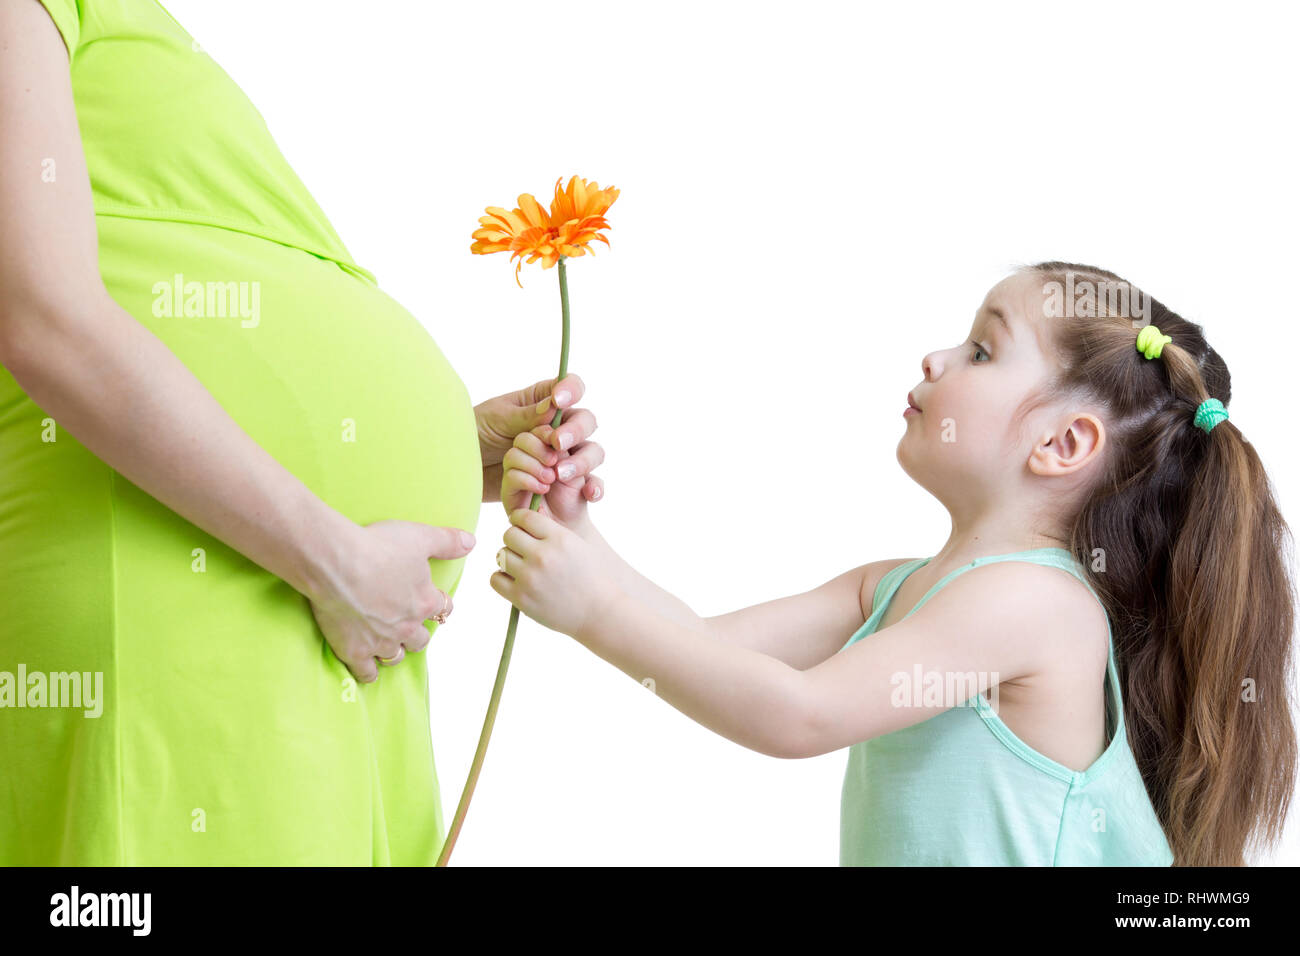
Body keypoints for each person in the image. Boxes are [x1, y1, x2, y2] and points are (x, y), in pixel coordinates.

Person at [0, 0, 604, 865]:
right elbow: (47, 321)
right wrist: (333, 559)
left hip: (320, 618)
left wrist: (449, 441)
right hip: (192, 593)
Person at [494, 261, 1297, 866]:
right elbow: (708, 648)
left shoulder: (1035, 606)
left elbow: (798, 714)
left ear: (1062, 444)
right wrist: (580, 540)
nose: (936, 358)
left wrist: (594, 608)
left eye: (982, 350)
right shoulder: (898, 587)